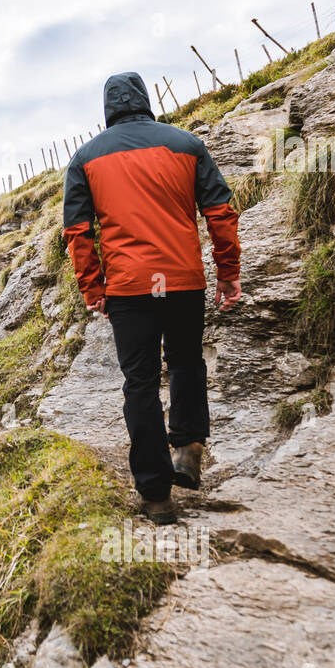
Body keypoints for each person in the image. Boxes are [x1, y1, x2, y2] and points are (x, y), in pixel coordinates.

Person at [63, 72, 241, 525]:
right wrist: (228, 274)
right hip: (183, 280)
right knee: (186, 363)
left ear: (107, 108)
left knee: (139, 383)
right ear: (146, 100)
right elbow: (220, 212)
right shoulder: (186, 144)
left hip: (129, 288)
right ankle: (187, 449)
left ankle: (156, 496)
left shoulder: (86, 158)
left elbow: (78, 233)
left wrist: (92, 287)